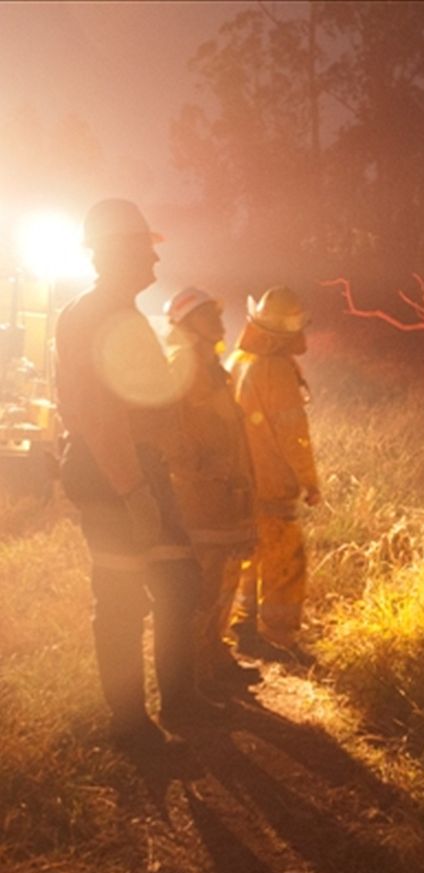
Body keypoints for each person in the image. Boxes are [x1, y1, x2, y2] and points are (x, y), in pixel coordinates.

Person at [55, 198, 226, 753]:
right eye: (145, 252)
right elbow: (101, 416)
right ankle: (130, 725)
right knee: (124, 597)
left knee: (177, 584)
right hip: (113, 475)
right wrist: (132, 491)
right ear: (117, 252)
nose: (154, 265)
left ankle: (179, 701)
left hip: (136, 470)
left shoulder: (119, 314)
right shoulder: (95, 316)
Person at [162, 286, 261, 697]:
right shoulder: (181, 364)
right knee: (202, 589)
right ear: (188, 323)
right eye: (209, 314)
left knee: (222, 583)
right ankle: (195, 676)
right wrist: (198, 469)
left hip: (224, 497)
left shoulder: (211, 366)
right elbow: (167, 428)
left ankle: (213, 657)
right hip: (200, 499)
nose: (220, 320)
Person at [227, 286, 321, 662]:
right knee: (285, 563)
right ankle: (279, 638)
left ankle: (243, 626)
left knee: (250, 555)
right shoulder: (277, 370)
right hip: (273, 482)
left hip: (243, 479)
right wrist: (309, 482)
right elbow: (292, 434)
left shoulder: (240, 360)